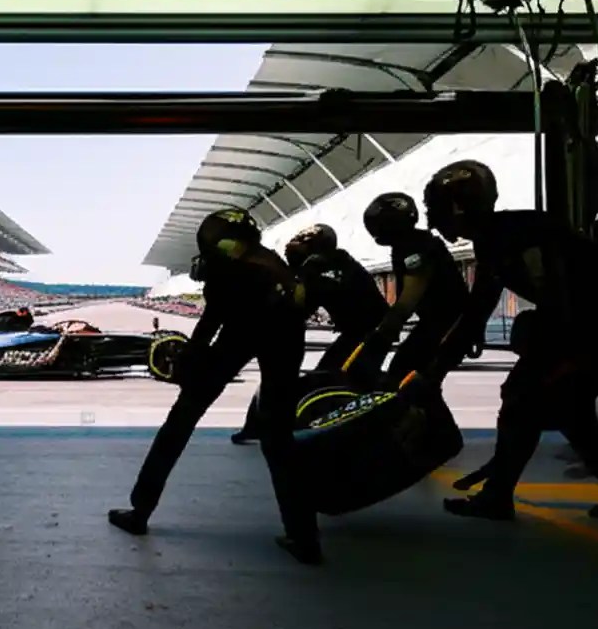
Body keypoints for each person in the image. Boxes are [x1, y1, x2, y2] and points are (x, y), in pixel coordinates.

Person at [422, 160, 598, 521]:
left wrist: (572, 357)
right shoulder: (498, 238)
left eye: (437, 209)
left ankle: (499, 496)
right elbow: (476, 312)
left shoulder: (520, 235)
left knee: (530, 397)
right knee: (560, 405)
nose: (433, 219)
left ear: (458, 208)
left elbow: (566, 297)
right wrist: (436, 370)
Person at [107, 208, 322, 564]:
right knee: (279, 438)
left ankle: (140, 511)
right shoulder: (273, 262)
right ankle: (304, 537)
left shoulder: (231, 270)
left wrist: (190, 363)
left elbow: (210, 323)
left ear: (222, 245)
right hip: (286, 338)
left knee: (181, 421)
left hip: (240, 334)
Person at [453, 309, 598, 490]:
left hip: (581, 340)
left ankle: (496, 491)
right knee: (563, 417)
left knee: (540, 411)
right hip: (580, 340)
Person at [231, 223, 388, 443]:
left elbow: (301, 305)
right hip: (364, 331)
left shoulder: (320, 267)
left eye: (302, 243)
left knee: (330, 378)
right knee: (336, 376)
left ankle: (358, 424)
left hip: (369, 332)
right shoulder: (336, 262)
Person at [343, 192, 470, 387]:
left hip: (448, 322)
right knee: (412, 378)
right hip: (444, 320)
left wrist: (385, 330)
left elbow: (411, 295)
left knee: (404, 376)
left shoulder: (414, 246)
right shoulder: (411, 243)